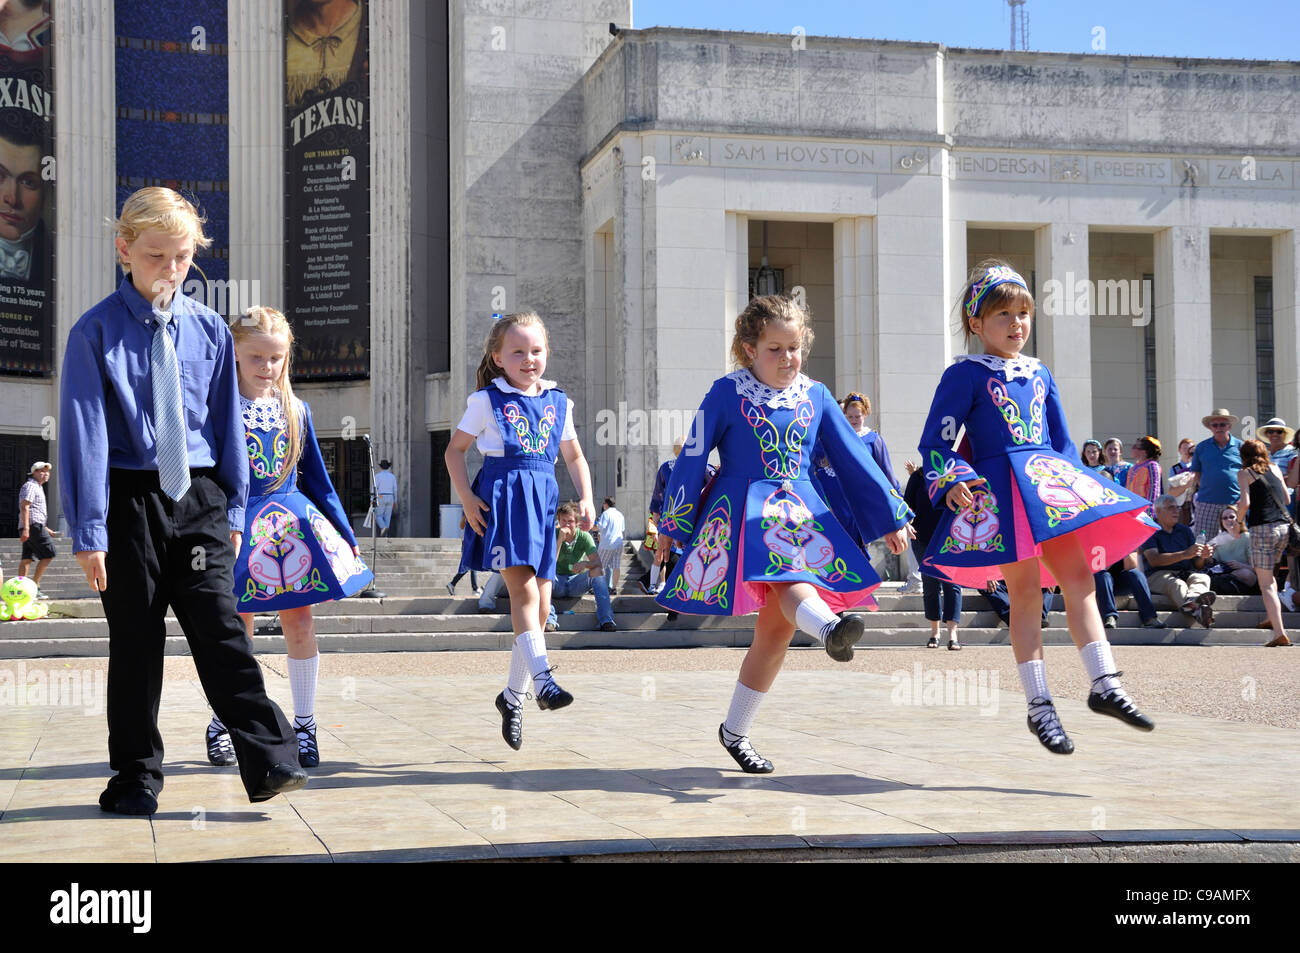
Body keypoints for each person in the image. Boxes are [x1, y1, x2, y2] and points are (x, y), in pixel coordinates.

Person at [59, 187, 306, 815]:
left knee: (222, 628)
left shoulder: (208, 331)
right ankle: (137, 775)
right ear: (124, 251)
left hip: (198, 499)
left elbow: (226, 427)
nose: (169, 270)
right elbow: (85, 433)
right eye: (155, 256)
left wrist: (236, 511)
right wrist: (90, 533)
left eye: (181, 257)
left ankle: (271, 757)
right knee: (136, 642)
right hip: (130, 500)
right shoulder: (94, 332)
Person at [654, 295, 911, 774]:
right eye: (775, 348)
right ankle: (832, 628)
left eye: (794, 347)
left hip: (802, 512)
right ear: (749, 349)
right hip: (744, 514)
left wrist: (890, 515)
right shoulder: (726, 393)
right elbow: (691, 457)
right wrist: (671, 525)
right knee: (791, 580)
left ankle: (734, 732)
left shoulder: (815, 396)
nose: (787, 358)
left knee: (773, 636)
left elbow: (854, 459)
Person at [917, 261, 1157, 756]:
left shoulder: (1041, 372)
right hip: (1002, 494)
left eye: (1023, 312)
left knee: (1080, 581)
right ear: (976, 323)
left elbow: (1063, 443)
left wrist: (1083, 495)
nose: (1016, 323)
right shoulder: (964, 374)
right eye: (1003, 313)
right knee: (1025, 595)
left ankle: (1105, 683)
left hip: (1048, 489)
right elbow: (936, 442)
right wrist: (955, 479)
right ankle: (1039, 703)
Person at [201, 307, 373, 769]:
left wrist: (340, 526)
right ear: (233, 353)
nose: (267, 368)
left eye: (276, 358)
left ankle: (305, 725)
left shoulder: (295, 409)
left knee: (300, 622)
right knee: (239, 629)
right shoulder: (215, 408)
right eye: (256, 357)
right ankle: (227, 722)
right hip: (238, 529)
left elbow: (317, 476)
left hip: (292, 524)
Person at [445, 311, 596, 750]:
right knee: (525, 595)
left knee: (542, 608)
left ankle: (512, 696)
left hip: (543, 501)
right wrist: (467, 499)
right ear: (498, 356)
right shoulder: (486, 400)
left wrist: (586, 496)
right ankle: (544, 681)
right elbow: (455, 452)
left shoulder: (559, 400)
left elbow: (574, 457)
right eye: (517, 351)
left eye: (536, 350)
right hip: (504, 498)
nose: (529, 359)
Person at [1235, 439, 1292, 647]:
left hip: (1262, 529)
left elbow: (1245, 502)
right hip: (1283, 528)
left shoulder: (1244, 473)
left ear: (1243, 456)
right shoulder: (1275, 468)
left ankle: (1279, 633)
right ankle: (1272, 615)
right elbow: (1286, 499)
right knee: (1271, 578)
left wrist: (1238, 522)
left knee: (1266, 583)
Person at [903, 460, 960, 648]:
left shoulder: (956, 475)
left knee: (951, 583)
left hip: (950, 538)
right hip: (922, 537)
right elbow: (907, 505)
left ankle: (953, 635)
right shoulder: (918, 477)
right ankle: (935, 633)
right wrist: (906, 525)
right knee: (929, 582)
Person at [1143, 495, 1216, 627]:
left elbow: (1197, 564)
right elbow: (1154, 560)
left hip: (1185, 572)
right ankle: (1200, 611)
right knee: (1178, 585)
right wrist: (1184, 554)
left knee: (1203, 577)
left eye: (1177, 508)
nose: (1176, 511)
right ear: (1158, 511)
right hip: (1157, 575)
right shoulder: (1150, 530)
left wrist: (1203, 556)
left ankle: (1193, 603)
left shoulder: (1184, 530)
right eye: (1171, 508)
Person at [546, 501, 616, 633]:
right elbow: (549, 564)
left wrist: (585, 564)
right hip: (556, 581)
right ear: (558, 521)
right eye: (563, 520)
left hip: (575, 582)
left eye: (570, 521)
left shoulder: (584, 536)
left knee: (598, 571)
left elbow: (598, 563)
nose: (566, 525)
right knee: (543, 575)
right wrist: (560, 540)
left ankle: (606, 619)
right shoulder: (553, 535)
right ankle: (550, 620)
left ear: (577, 522)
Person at [1183, 409, 1244, 541]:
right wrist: (1208, 488)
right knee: (1203, 541)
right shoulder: (1202, 447)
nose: (1218, 428)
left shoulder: (1241, 447)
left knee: (1235, 540)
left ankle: (1231, 563)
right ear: (1210, 427)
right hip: (1206, 503)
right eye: (1215, 425)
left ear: (1229, 426)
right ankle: (1207, 563)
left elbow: (1247, 473)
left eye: (1222, 424)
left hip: (1234, 503)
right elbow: (1196, 473)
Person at [18, 461, 55, 594]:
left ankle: (21, 589)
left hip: (34, 526)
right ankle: (34, 586)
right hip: (32, 527)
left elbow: (34, 510)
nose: (45, 474)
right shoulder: (31, 486)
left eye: (47, 471)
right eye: (41, 471)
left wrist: (45, 528)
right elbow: (25, 506)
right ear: (34, 472)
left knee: (27, 558)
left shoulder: (37, 487)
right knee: (49, 553)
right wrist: (27, 529)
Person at [1206, 504, 1256, 595]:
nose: (1228, 520)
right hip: (1223, 573)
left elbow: (1256, 569)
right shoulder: (1218, 539)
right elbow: (1212, 563)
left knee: (1246, 574)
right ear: (1221, 522)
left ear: (1239, 519)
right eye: (1224, 518)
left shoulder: (1248, 538)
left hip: (1244, 577)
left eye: (1232, 517)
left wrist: (1241, 565)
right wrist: (1207, 556)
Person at [594, 496, 626, 593]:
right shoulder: (620, 514)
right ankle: (614, 588)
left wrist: (591, 527)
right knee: (616, 566)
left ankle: (599, 587)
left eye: (604, 503)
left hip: (607, 543)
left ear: (606, 504)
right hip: (618, 543)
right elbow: (623, 529)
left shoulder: (606, 514)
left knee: (599, 565)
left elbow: (600, 527)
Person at [1169, 436, 1197, 526]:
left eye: (1190, 449)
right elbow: (1171, 492)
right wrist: (1186, 485)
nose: (1187, 451)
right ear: (1179, 450)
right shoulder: (1175, 469)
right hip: (1182, 505)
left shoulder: (1198, 467)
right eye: (1184, 448)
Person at [372, 459, 397, 536]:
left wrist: (372, 499)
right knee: (387, 516)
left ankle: (383, 527)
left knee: (378, 515)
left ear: (381, 467)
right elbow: (395, 489)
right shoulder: (392, 476)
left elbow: (374, 488)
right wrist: (395, 501)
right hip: (390, 496)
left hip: (381, 495)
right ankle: (386, 535)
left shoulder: (377, 476)